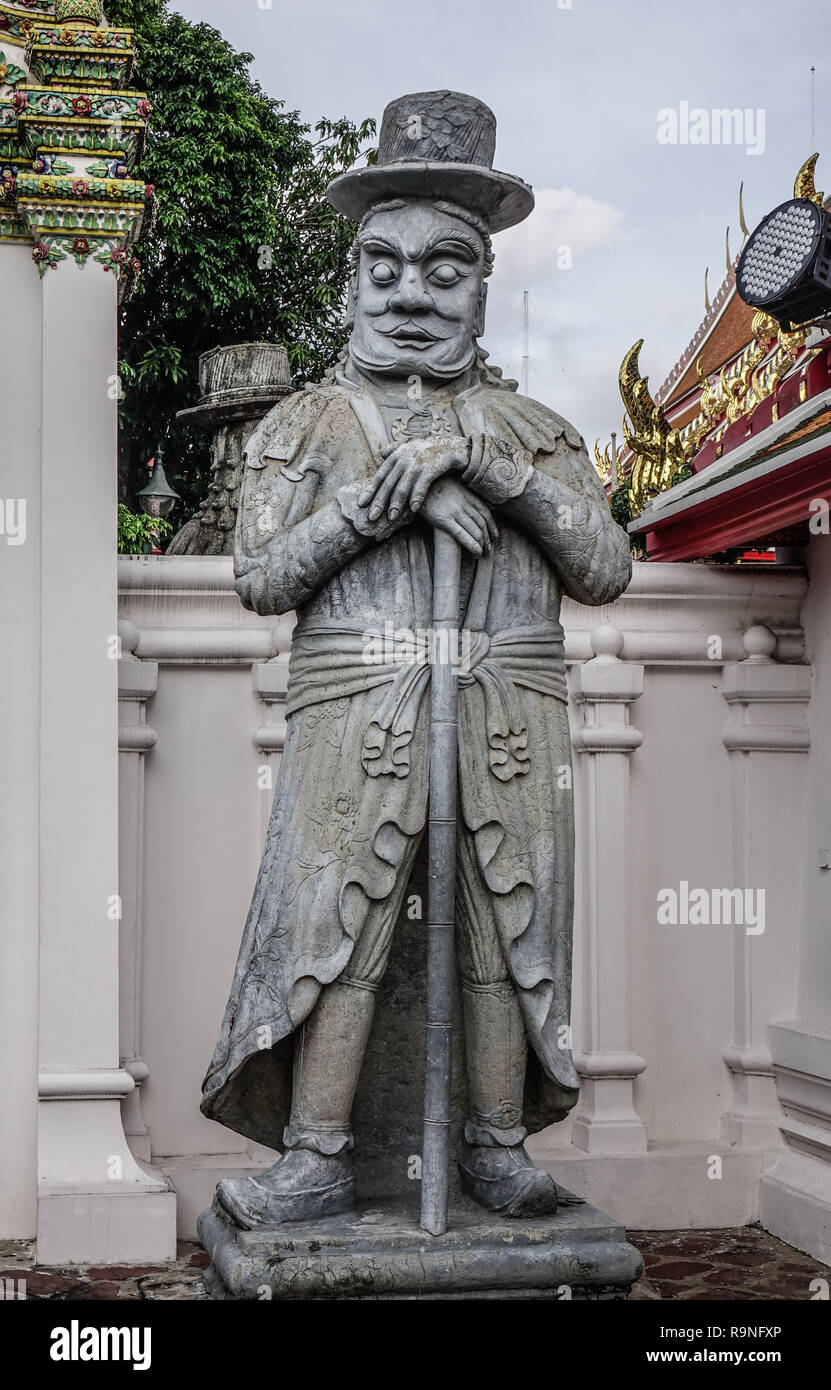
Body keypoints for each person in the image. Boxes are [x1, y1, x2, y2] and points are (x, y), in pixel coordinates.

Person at [201, 90, 632, 1229]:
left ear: (484, 289)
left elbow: (604, 566)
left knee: (505, 927)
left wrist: (491, 473)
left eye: (446, 270)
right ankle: (317, 1152)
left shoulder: (537, 428)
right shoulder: (305, 422)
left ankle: (494, 1146)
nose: (408, 292)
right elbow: (260, 576)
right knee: (342, 925)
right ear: (349, 282)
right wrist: (376, 509)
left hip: (506, 707)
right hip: (360, 708)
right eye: (383, 266)